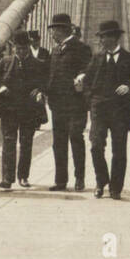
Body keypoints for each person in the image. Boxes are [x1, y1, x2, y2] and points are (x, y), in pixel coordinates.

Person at [83, 20, 130, 199]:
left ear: (114, 38)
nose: (101, 40)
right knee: (96, 146)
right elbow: (87, 82)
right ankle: (101, 181)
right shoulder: (96, 58)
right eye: (101, 37)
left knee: (119, 151)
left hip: (120, 110)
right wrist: (91, 100)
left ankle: (115, 188)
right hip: (99, 109)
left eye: (103, 37)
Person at [0, 30, 48, 189]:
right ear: (14, 48)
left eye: (24, 49)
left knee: (26, 143)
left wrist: (40, 90)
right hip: (9, 109)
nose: (21, 52)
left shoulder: (38, 64)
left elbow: (46, 81)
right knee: (8, 142)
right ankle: (7, 178)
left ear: (29, 47)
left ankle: (23, 176)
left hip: (28, 110)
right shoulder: (4, 62)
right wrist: (1, 87)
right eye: (18, 49)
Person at [45, 13, 92, 191]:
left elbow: (88, 67)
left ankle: (79, 178)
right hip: (57, 104)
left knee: (75, 137)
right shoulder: (56, 50)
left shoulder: (81, 48)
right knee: (59, 142)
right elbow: (51, 75)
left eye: (54, 30)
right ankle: (60, 181)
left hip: (76, 103)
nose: (52, 33)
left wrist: (82, 76)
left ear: (61, 30)